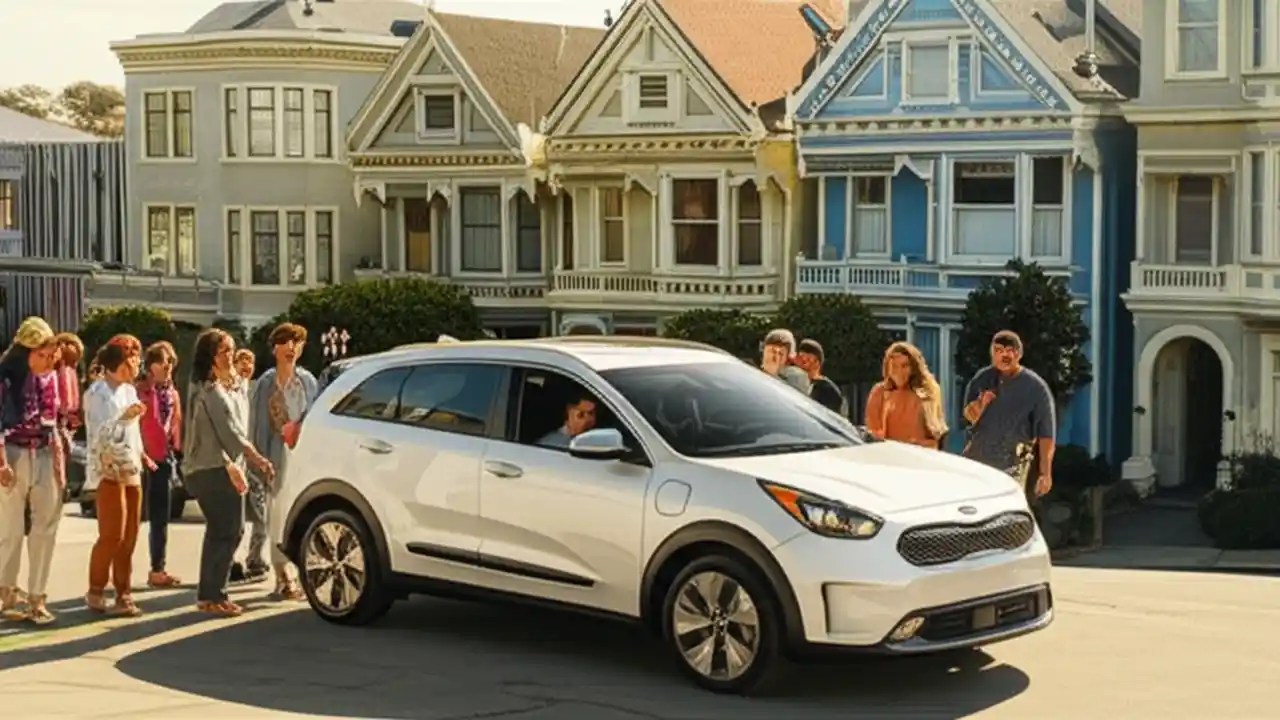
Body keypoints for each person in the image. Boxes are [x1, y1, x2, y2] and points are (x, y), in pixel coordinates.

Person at [183, 329, 274, 617]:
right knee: (227, 530)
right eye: (224, 351)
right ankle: (212, 595)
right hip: (210, 468)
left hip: (221, 466)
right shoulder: (209, 391)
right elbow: (230, 433)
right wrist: (257, 459)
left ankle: (211, 594)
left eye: (232, 350)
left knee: (225, 530)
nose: (230, 356)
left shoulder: (226, 387)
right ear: (210, 357)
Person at [0, 317, 66, 624]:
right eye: (41, 355)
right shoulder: (6, 379)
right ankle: (6, 592)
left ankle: (37, 596)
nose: (48, 361)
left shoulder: (52, 378)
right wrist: (1, 462)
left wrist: (59, 461)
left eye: (51, 355)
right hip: (13, 452)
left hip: (44, 451)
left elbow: (56, 421)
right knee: (10, 528)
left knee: (46, 525)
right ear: (25, 353)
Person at [247, 323, 315, 600]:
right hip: (275, 455)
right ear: (274, 348)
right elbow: (257, 425)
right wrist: (259, 461)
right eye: (285, 342)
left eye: (296, 342)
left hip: (303, 456)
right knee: (277, 516)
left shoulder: (307, 382)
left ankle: (302, 574)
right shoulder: (266, 383)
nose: (291, 348)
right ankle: (283, 576)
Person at [83, 335, 150, 617]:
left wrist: (142, 454)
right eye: (133, 358)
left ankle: (124, 593)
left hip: (131, 466)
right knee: (112, 534)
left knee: (130, 536)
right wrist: (125, 417)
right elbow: (99, 433)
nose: (138, 363)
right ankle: (96, 589)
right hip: (108, 468)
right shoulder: (97, 393)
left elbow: (134, 432)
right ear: (120, 362)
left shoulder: (129, 391)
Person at [961, 330, 1055, 501]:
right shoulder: (982, 379)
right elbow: (968, 418)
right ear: (992, 353)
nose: (1004, 355)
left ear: (1019, 354)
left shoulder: (1035, 387)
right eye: (998, 350)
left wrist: (1045, 473)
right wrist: (981, 404)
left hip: (1013, 464)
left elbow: (1046, 434)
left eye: (1010, 351)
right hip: (978, 462)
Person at [136, 341, 183, 589]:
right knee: (132, 518)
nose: (167, 366)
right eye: (163, 362)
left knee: (160, 518)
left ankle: (158, 569)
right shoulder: (140, 391)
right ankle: (116, 572)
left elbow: (176, 424)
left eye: (171, 362)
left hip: (163, 459)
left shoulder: (172, 393)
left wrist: (177, 450)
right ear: (150, 365)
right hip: (140, 459)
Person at [864, 341, 948, 449]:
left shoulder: (927, 392)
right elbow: (874, 433)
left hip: (920, 453)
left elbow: (936, 432)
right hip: (889, 453)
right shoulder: (879, 392)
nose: (899, 371)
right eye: (894, 366)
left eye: (905, 366)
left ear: (914, 367)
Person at [795, 339, 844, 414]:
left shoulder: (828, 389)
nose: (803, 360)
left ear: (817, 362)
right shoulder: (795, 382)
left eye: (807, 359)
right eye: (801, 357)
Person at [760, 329, 810, 393]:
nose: (774, 357)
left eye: (780, 354)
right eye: (771, 351)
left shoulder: (796, 378)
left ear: (788, 359)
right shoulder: (752, 373)